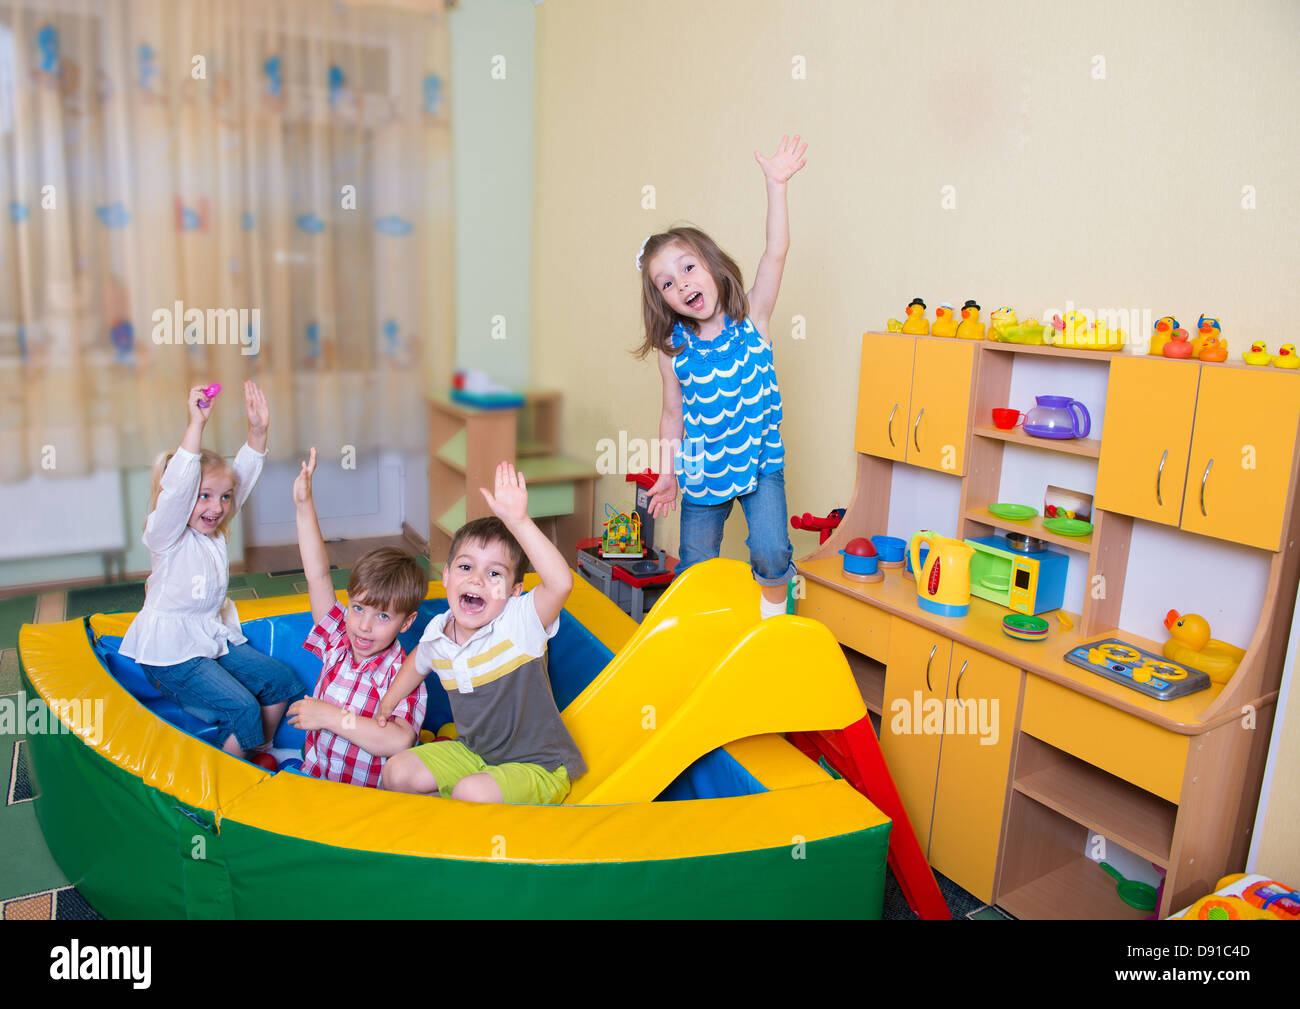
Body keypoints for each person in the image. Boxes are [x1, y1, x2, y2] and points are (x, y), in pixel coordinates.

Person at [634, 135, 808, 620]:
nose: (682, 283)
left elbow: (776, 251)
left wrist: (777, 185)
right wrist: (667, 473)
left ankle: (772, 628)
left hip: (760, 461)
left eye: (688, 268)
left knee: (772, 551)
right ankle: (697, 629)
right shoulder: (675, 350)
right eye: (667, 283)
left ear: (712, 266)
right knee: (695, 565)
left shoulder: (754, 317)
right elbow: (672, 414)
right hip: (703, 469)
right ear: (663, 299)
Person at [376, 461, 585, 805]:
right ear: (445, 576)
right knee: (396, 772)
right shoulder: (438, 632)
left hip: (536, 766)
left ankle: (472, 817)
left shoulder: (520, 623)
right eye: (466, 567)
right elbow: (419, 660)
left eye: (494, 574)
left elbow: (561, 583)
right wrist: (388, 701)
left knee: (470, 791)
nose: (476, 579)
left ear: (515, 590)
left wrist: (518, 521)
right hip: (476, 754)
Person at [121, 382, 301, 759]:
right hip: (171, 655)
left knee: (281, 681)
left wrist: (258, 431)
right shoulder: (167, 534)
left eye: (223, 497)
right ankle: (231, 779)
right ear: (185, 496)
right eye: (204, 496)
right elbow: (177, 489)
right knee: (243, 709)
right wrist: (197, 423)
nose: (217, 507)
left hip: (207, 636)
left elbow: (244, 477)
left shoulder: (212, 530)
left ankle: (255, 749)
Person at [286, 447, 428, 787]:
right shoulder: (338, 637)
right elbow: (318, 574)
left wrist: (328, 716)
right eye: (358, 608)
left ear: (406, 623)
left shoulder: (403, 673)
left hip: (366, 805)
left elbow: (398, 740)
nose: (363, 626)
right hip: (319, 781)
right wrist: (304, 505)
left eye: (382, 617)